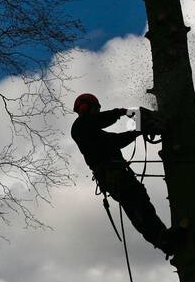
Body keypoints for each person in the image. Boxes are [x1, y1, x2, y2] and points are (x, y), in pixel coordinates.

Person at [71, 93, 178, 257]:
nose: (98, 112)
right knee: (136, 204)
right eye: (96, 109)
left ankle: (162, 238)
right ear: (86, 108)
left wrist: (138, 130)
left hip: (117, 175)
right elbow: (101, 120)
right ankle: (162, 238)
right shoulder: (80, 126)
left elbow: (117, 140)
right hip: (112, 175)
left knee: (140, 201)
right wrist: (122, 112)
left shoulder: (96, 134)